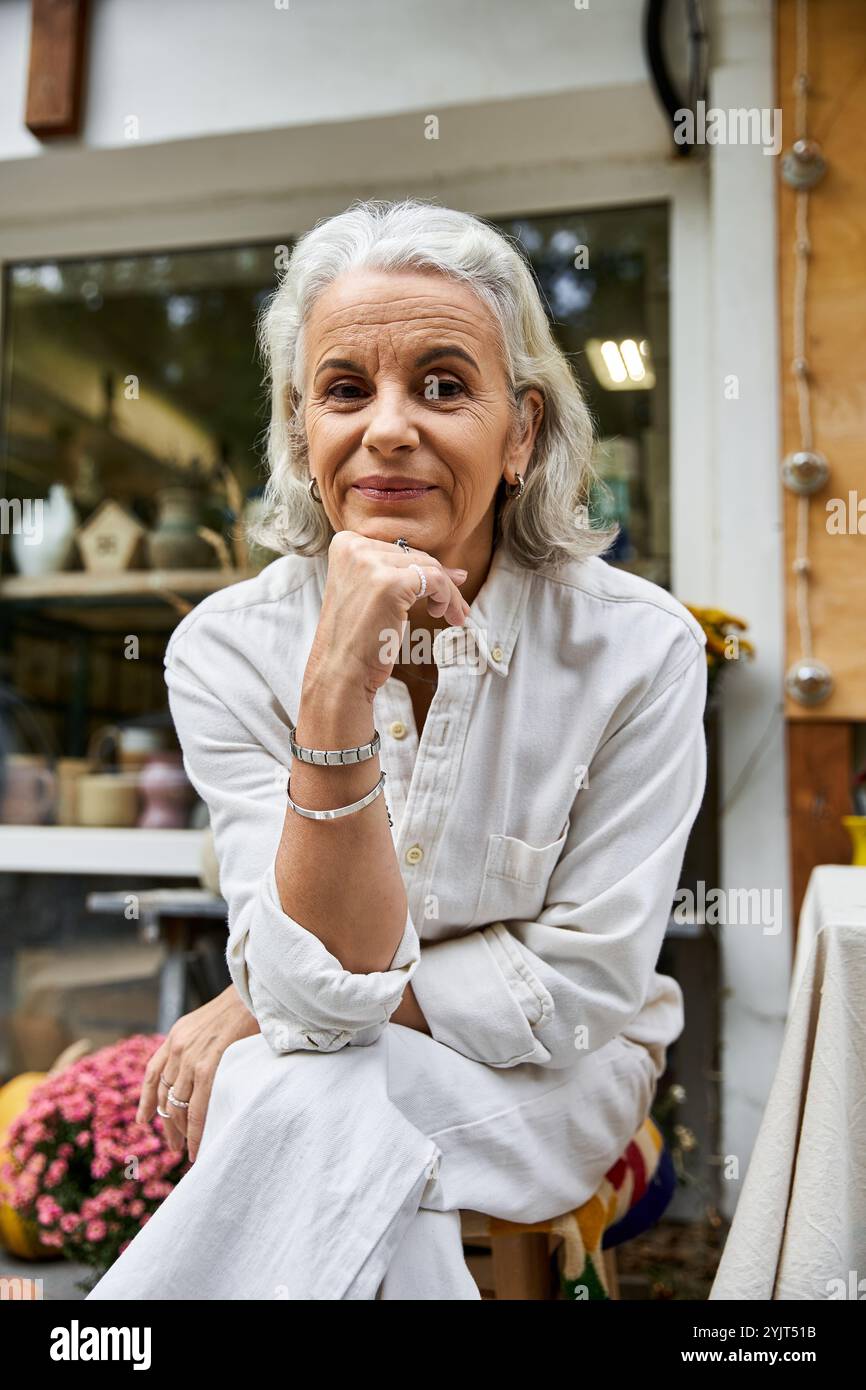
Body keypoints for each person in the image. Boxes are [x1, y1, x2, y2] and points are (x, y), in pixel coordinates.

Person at [87, 198, 707, 1301]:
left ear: (518, 433)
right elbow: (315, 1002)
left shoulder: (637, 649)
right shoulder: (226, 651)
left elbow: (576, 985)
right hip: (329, 1074)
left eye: (440, 384)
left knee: (285, 1094)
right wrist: (332, 687)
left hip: (555, 1078)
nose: (386, 428)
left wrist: (267, 1001)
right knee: (328, 1118)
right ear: (296, 430)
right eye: (343, 389)